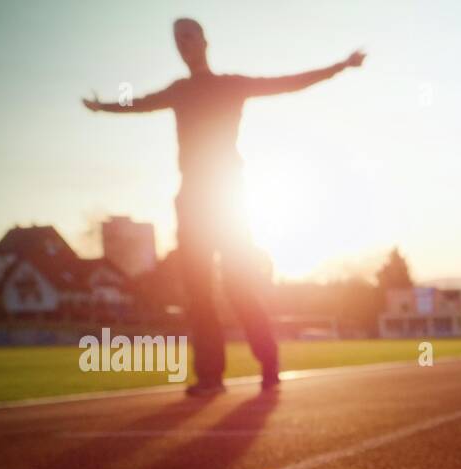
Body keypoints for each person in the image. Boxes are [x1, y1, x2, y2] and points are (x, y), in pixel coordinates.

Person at [84, 19, 365, 395]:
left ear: (204, 41)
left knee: (238, 286)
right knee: (198, 292)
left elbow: (289, 82)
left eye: (188, 36)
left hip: (228, 196)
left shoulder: (232, 85)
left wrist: (339, 67)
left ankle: (269, 364)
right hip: (192, 199)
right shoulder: (179, 91)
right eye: (177, 40)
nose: (183, 44)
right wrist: (102, 106)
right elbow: (139, 103)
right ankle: (211, 377)